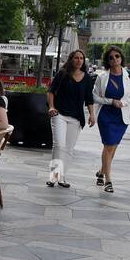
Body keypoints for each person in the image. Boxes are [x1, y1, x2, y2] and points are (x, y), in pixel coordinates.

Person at [46, 50, 96, 189]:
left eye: (81, 58)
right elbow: (51, 91)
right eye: (76, 58)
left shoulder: (87, 78)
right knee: (59, 145)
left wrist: (92, 115)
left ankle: (62, 177)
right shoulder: (62, 74)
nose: (79, 60)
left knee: (68, 149)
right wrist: (51, 107)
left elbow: (89, 99)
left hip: (76, 117)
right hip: (59, 114)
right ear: (71, 59)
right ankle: (54, 176)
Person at [93, 46, 130, 194]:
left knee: (112, 147)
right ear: (107, 60)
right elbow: (95, 96)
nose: (114, 59)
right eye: (111, 57)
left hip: (122, 116)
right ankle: (108, 181)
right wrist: (110, 101)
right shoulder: (102, 77)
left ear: (121, 58)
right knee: (108, 146)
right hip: (106, 115)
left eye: (117, 56)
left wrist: (123, 103)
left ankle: (101, 172)